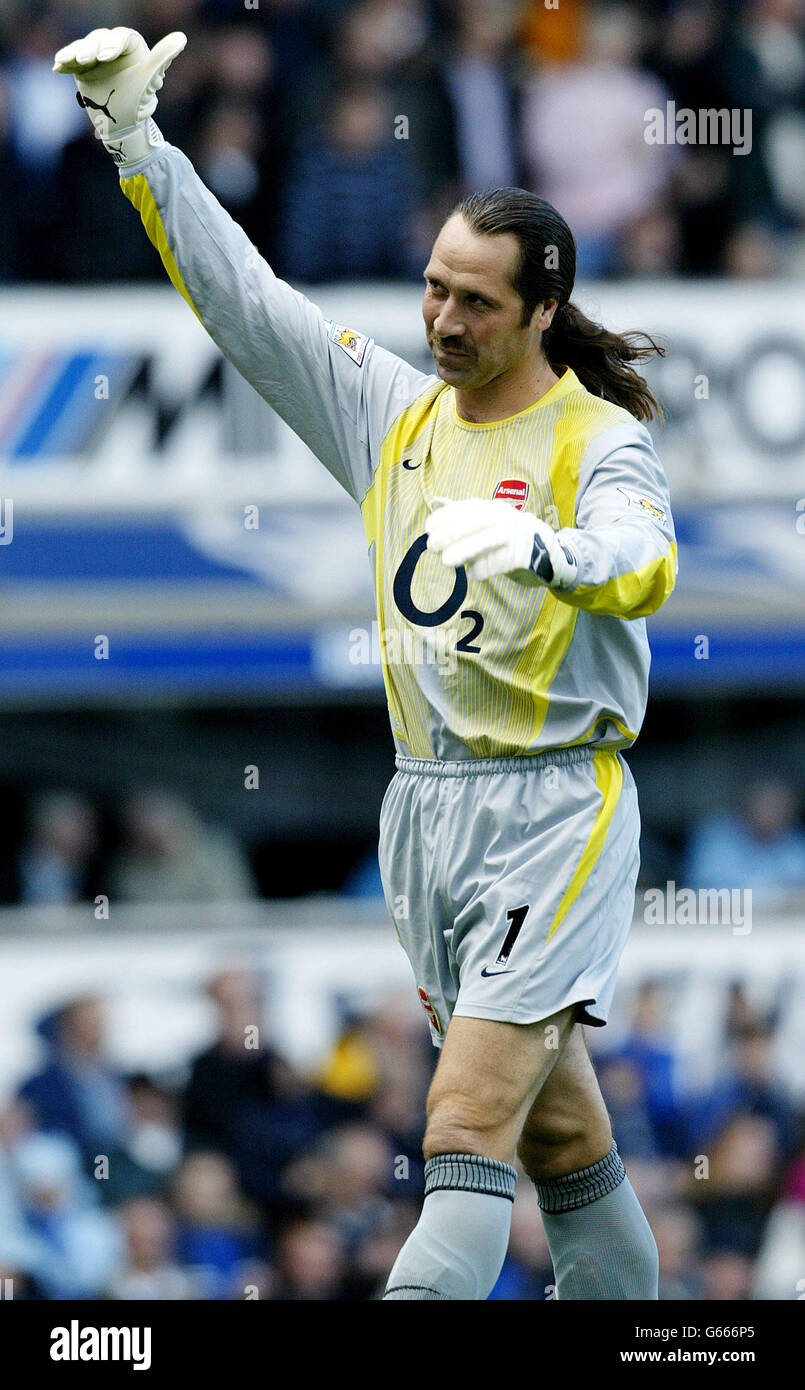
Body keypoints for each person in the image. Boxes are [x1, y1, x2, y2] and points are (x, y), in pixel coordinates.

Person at [55, 26, 677, 1301]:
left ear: (542, 312)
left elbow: (643, 562)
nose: (442, 318)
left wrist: (545, 550)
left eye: (477, 302)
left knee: (457, 1132)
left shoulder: (595, 442)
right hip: (426, 810)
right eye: (435, 286)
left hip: (551, 810)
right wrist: (137, 142)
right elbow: (249, 302)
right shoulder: (393, 415)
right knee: (559, 1137)